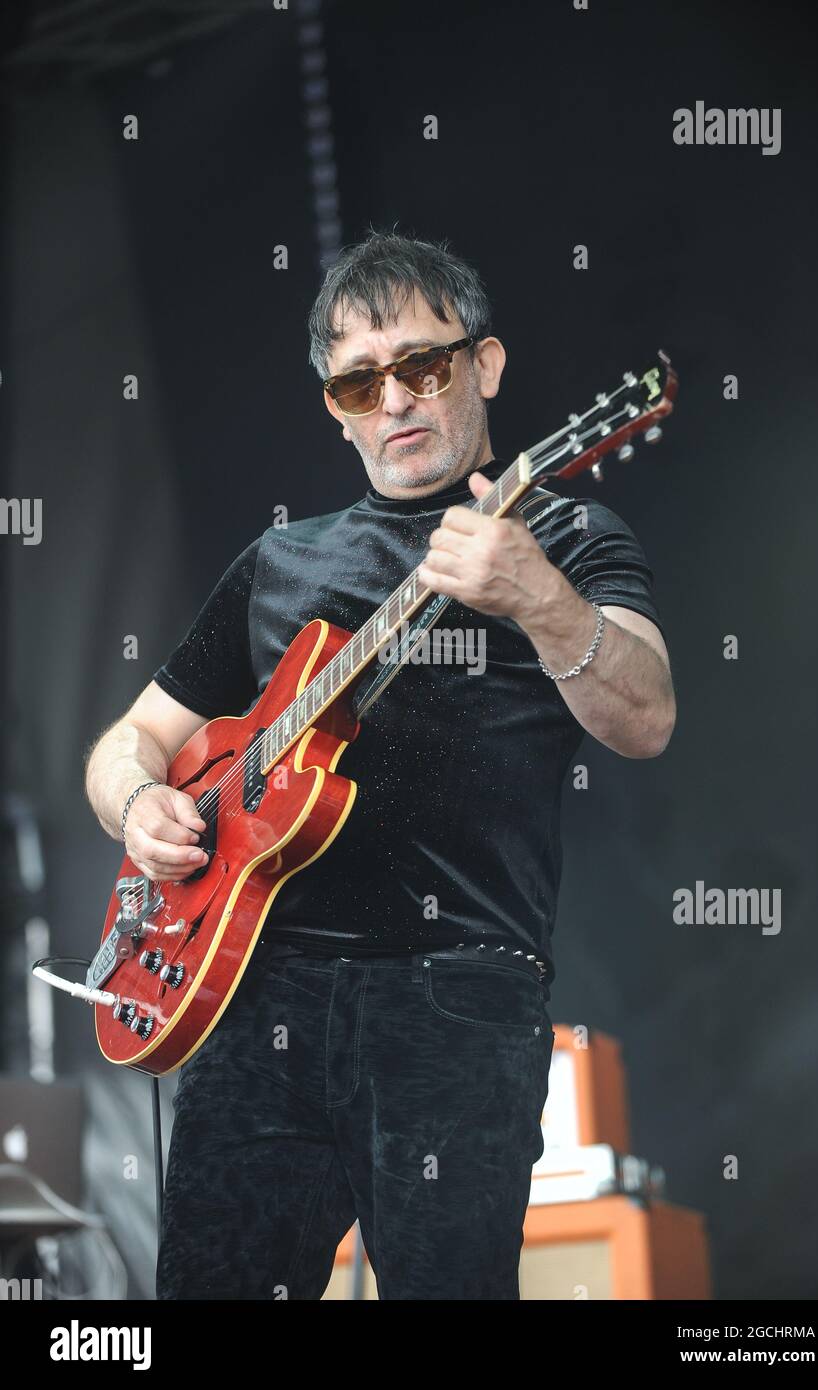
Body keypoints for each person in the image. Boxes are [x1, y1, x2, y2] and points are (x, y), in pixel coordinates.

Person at [84, 230, 676, 1300]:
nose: (393, 400)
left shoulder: (568, 534)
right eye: (357, 383)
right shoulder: (279, 562)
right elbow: (128, 739)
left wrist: (534, 595)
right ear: (335, 403)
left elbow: (645, 717)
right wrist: (137, 803)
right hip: (252, 998)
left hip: (456, 1000)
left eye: (422, 366)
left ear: (483, 366)